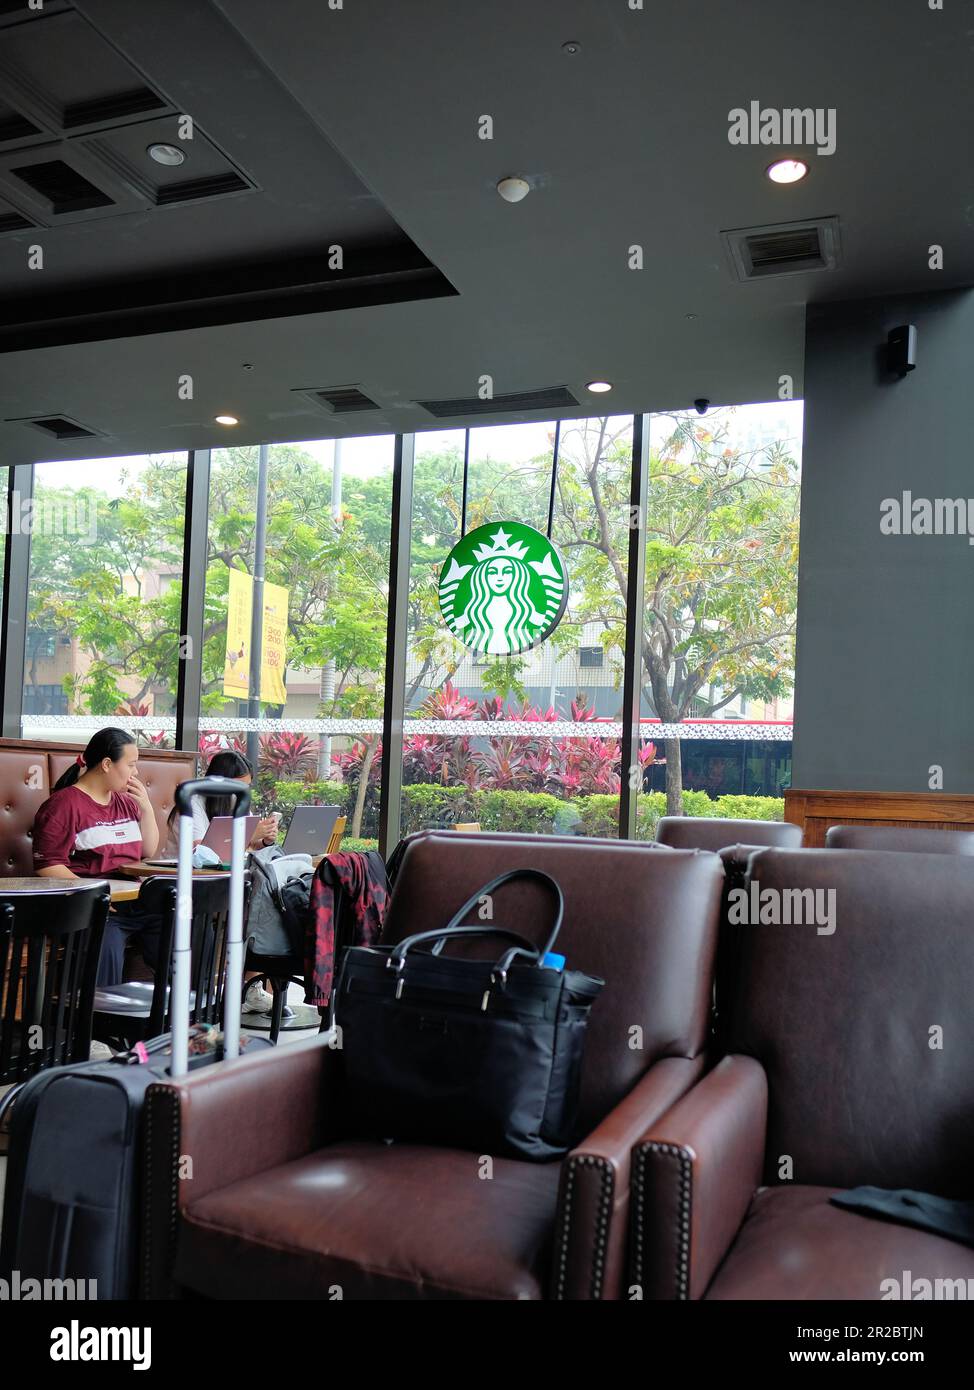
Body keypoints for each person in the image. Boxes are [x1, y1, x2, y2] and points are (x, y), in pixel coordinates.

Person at [32, 727, 160, 987]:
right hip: (92, 907)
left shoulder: (125, 801)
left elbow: (148, 851)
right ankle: (101, 1020)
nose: (136, 772)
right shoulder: (64, 805)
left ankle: (178, 1016)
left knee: (183, 927)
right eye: (131, 764)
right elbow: (48, 866)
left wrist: (146, 806)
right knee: (106, 940)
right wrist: (97, 893)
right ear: (106, 764)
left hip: (133, 902)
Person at [164, 750, 279, 1016]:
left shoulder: (236, 802)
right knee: (258, 905)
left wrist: (264, 839)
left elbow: (241, 846)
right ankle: (249, 988)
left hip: (224, 883)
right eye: (237, 787)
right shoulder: (191, 804)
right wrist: (250, 834)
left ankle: (254, 985)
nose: (241, 793)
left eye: (245, 788)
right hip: (190, 886)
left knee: (268, 901)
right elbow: (201, 853)